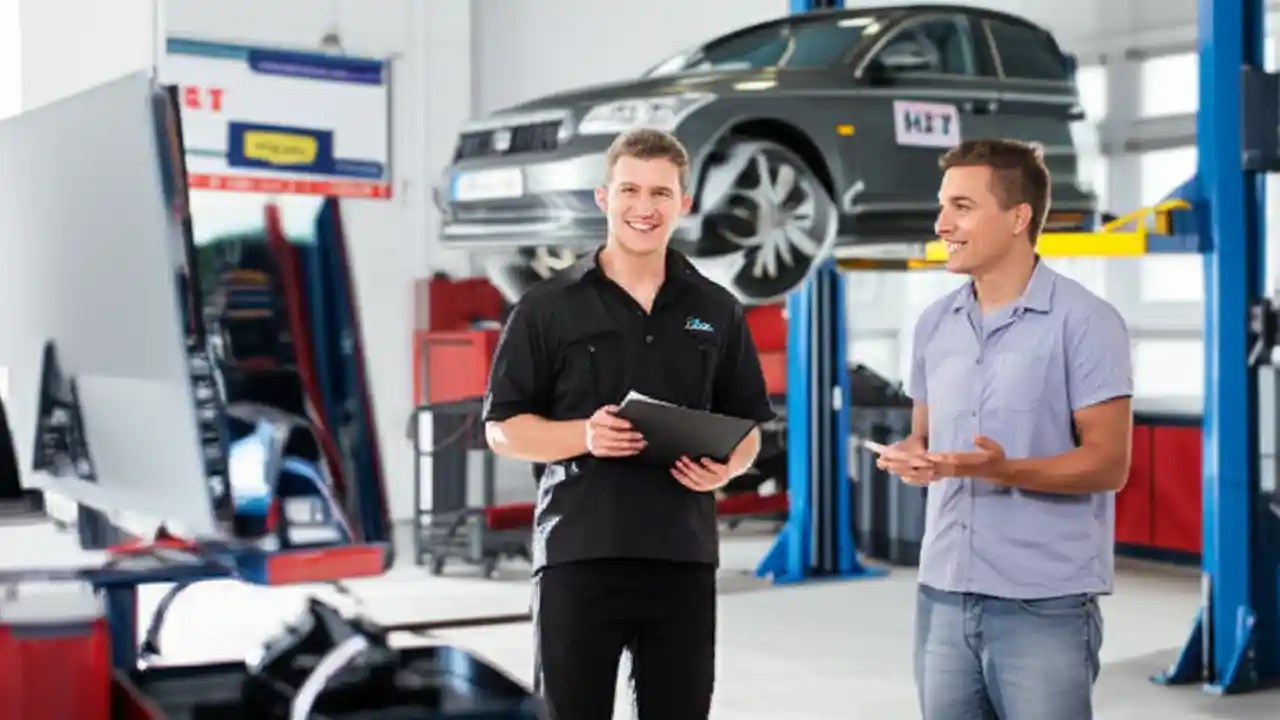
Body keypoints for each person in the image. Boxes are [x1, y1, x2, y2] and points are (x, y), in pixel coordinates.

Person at [481, 127, 775, 719]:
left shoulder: (716, 309)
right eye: (631, 191)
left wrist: (729, 465)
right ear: (603, 197)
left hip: (682, 558)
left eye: (662, 194)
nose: (645, 208)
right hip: (578, 553)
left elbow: (747, 430)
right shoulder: (548, 307)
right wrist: (583, 436)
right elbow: (503, 427)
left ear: (684, 204)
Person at [876, 138, 1134, 719]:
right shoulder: (935, 323)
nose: (942, 223)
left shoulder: (1086, 322)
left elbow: (1108, 463)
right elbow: (926, 435)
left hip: (1042, 605)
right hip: (943, 593)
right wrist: (913, 455)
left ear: (1018, 218)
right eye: (942, 206)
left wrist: (1003, 470)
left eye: (962, 207)